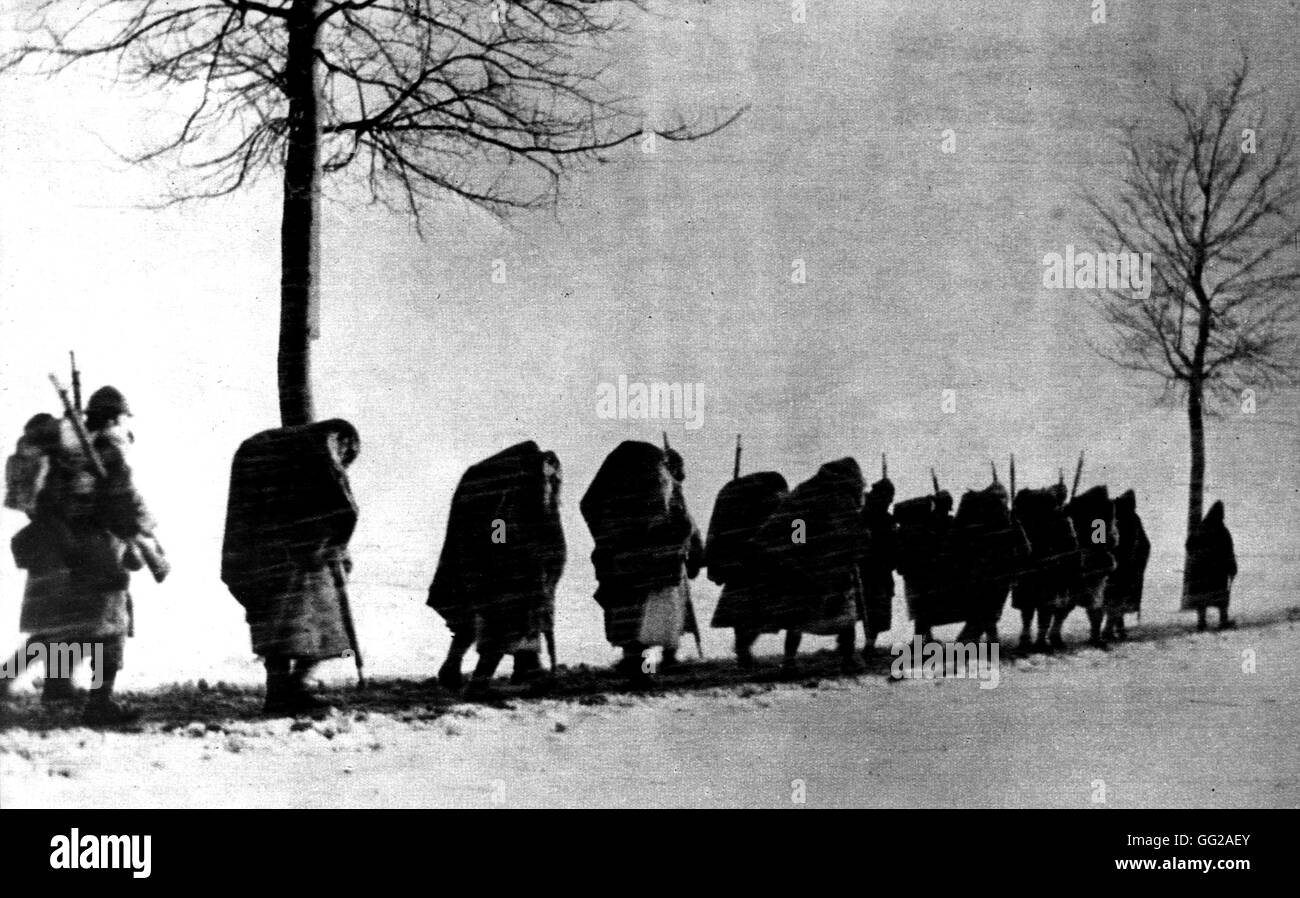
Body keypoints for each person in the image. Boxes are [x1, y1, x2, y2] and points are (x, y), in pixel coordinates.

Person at [4, 387, 160, 723]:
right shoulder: (107, 449)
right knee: (112, 626)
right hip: (96, 547)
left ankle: (31, 682)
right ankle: (100, 703)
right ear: (115, 417)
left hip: (56, 545)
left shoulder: (64, 448)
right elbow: (124, 498)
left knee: (60, 623)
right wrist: (143, 530)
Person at [221, 419, 361, 714]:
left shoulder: (264, 449)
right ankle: (291, 688)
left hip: (260, 554)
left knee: (279, 627)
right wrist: (335, 545)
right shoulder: (325, 445)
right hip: (298, 558)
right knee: (310, 626)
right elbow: (344, 507)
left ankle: (280, 692)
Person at [428, 442, 565, 696]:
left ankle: (525, 666)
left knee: (482, 619)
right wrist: (508, 552)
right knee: (507, 622)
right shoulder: (518, 485)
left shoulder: (495, 479)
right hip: (504, 568)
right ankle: (480, 681)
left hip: (480, 564)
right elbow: (499, 526)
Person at [581, 441, 692, 686]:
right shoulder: (657, 489)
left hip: (623, 564)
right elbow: (681, 522)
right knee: (650, 624)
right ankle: (643, 672)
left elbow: (592, 509)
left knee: (633, 622)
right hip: (653, 566)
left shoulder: (613, 494)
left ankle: (637, 668)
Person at [752, 457, 867, 674]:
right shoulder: (836, 496)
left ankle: (791, 660)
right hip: (824, 565)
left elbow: (798, 524)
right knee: (839, 614)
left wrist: (802, 552)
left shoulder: (806, 491)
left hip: (814, 566)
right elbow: (801, 525)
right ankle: (846, 658)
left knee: (801, 616)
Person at [707, 471, 789, 668]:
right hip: (760, 565)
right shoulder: (773, 500)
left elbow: (717, 531)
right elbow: (793, 525)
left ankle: (743, 652)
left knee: (742, 612)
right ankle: (747, 653)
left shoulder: (732, 495)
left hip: (737, 564)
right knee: (758, 610)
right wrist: (799, 543)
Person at [660, 447, 705, 671]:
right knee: (673, 607)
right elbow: (688, 525)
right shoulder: (671, 491)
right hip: (672, 559)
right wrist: (695, 552)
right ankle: (668, 655)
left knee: (666, 609)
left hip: (665, 558)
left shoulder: (666, 489)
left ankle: (663, 655)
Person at [1102, 489, 1151, 641]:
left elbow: (1097, 540)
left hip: (1111, 564)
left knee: (1113, 599)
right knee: (1118, 598)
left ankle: (1118, 627)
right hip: (1124, 566)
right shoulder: (1131, 518)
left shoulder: (1107, 515)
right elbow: (1144, 544)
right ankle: (1108, 630)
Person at [1183, 501, 1237, 632]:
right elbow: (1228, 551)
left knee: (1202, 597)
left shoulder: (1200, 528)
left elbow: (1189, 545)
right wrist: (1232, 568)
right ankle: (1223, 620)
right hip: (1217, 571)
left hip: (1200, 570)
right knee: (1220, 596)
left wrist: (1197, 558)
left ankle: (1201, 623)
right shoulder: (1222, 531)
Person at [858, 477, 896, 658]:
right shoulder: (881, 518)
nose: (891, 501)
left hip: (869, 569)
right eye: (889, 497)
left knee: (867, 609)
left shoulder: (864, 513)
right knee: (873, 609)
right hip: (875, 570)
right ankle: (868, 645)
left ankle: (866, 645)